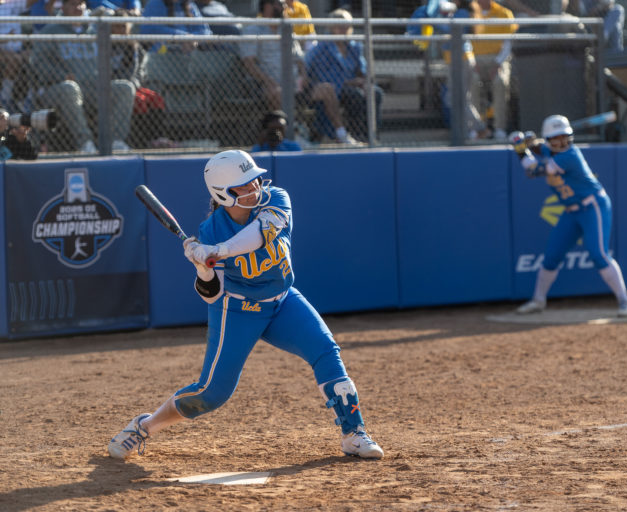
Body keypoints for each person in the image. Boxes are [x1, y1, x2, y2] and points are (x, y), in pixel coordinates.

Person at [107, 150, 384, 460]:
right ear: (222, 194)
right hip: (237, 310)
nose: (254, 189)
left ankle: (353, 433)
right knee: (212, 393)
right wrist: (202, 264)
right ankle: (145, 426)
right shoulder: (211, 230)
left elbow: (260, 234)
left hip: (283, 300)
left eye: (254, 181)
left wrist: (217, 251)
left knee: (325, 350)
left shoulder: (276, 198)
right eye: (244, 186)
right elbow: (212, 295)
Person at [511, 114, 627, 317]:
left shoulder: (570, 156)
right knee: (552, 256)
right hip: (571, 212)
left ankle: (624, 301)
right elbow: (542, 149)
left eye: (564, 137)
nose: (561, 141)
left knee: (599, 254)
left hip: (593, 207)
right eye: (556, 138)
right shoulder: (551, 149)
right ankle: (538, 301)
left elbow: (533, 170)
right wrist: (531, 144)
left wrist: (519, 148)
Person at [30, 0, 136, 153]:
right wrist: (61, 76)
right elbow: (38, 64)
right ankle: (85, 143)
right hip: (58, 91)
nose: (78, 8)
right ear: (64, 7)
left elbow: (108, 63)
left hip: (92, 89)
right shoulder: (50, 30)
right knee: (69, 88)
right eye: (73, 4)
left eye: (81, 4)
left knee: (125, 88)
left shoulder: (93, 31)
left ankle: (116, 141)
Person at [406, 1, 487, 140]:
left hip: (462, 60)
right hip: (455, 61)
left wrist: (432, 18)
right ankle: (470, 130)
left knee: (455, 98)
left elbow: (449, 27)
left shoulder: (463, 13)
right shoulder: (454, 12)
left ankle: (478, 128)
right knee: (457, 98)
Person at [305, 8, 382, 145]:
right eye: (340, 26)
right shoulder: (321, 48)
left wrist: (363, 81)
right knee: (355, 96)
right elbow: (313, 72)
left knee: (375, 92)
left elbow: (362, 70)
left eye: (347, 26)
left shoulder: (354, 47)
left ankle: (372, 136)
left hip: (354, 85)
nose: (344, 29)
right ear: (331, 27)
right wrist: (351, 82)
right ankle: (356, 135)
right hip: (335, 88)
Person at [239, 0, 306, 113]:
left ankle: (340, 130)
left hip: (295, 84)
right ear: (266, 6)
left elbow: (299, 60)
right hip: (266, 85)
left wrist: (303, 76)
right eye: (279, 3)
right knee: (277, 92)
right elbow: (249, 63)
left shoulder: (287, 30)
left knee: (326, 89)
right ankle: (289, 127)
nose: (283, 7)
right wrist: (268, 81)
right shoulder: (252, 30)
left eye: (283, 4)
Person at [470, 0, 519, 141]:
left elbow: (509, 42)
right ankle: (477, 128)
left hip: (498, 59)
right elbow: (463, 40)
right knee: (472, 82)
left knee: (500, 82)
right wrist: (471, 61)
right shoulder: (469, 13)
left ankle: (499, 128)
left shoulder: (504, 13)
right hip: (474, 59)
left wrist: (497, 63)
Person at [140, 0, 213, 54]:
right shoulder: (155, 3)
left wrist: (192, 39)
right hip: (162, 55)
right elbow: (150, 28)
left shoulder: (190, 4)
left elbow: (205, 31)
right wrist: (182, 37)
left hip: (190, 54)